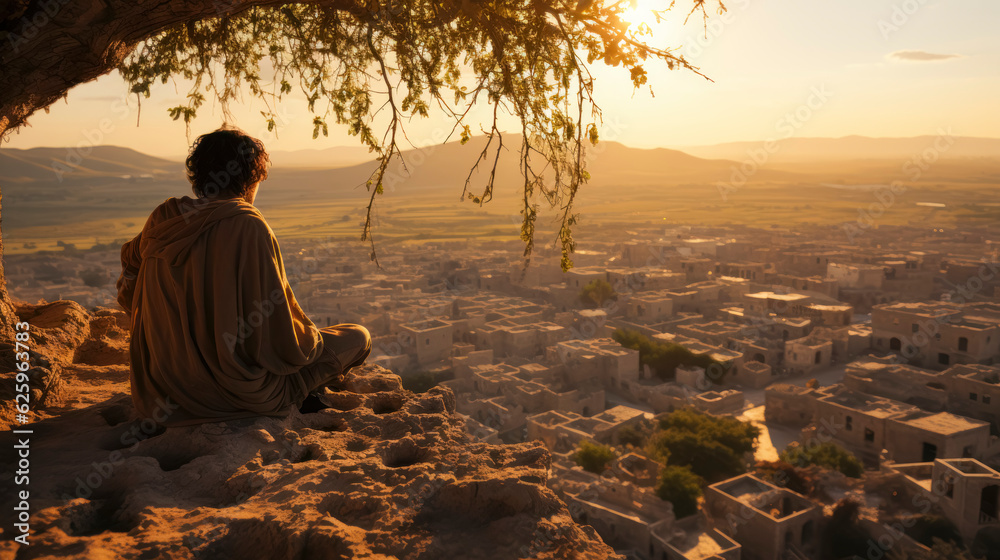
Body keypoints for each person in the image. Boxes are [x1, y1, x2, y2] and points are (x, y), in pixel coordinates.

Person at [116, 126, 370, 426]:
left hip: (158, 394)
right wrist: (310, 339)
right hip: (233, 397)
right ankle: (297, 395)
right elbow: (282, 343)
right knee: (357, 337)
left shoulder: (165, 215)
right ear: (252, 177)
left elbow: (129, 272)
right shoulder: (248, 225)